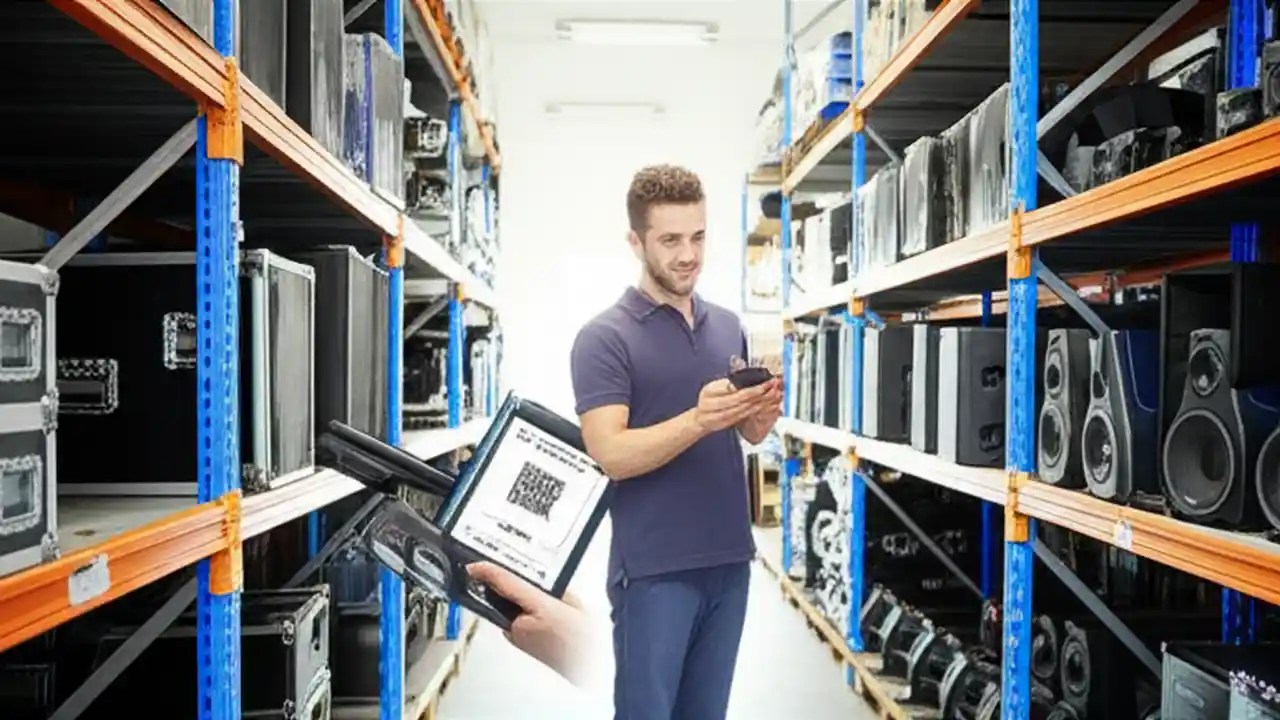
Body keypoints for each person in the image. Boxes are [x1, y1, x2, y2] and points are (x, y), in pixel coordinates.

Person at [568, 164, 784, 719]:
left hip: (730, 562)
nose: (689, 255)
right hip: (654, 571)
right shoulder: (604, 338)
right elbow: (610, 454)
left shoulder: (728, 326)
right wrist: (698, 420)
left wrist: (759, 416)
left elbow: (744, 435)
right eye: (670, 241)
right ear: (636, 241)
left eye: (698, 237)